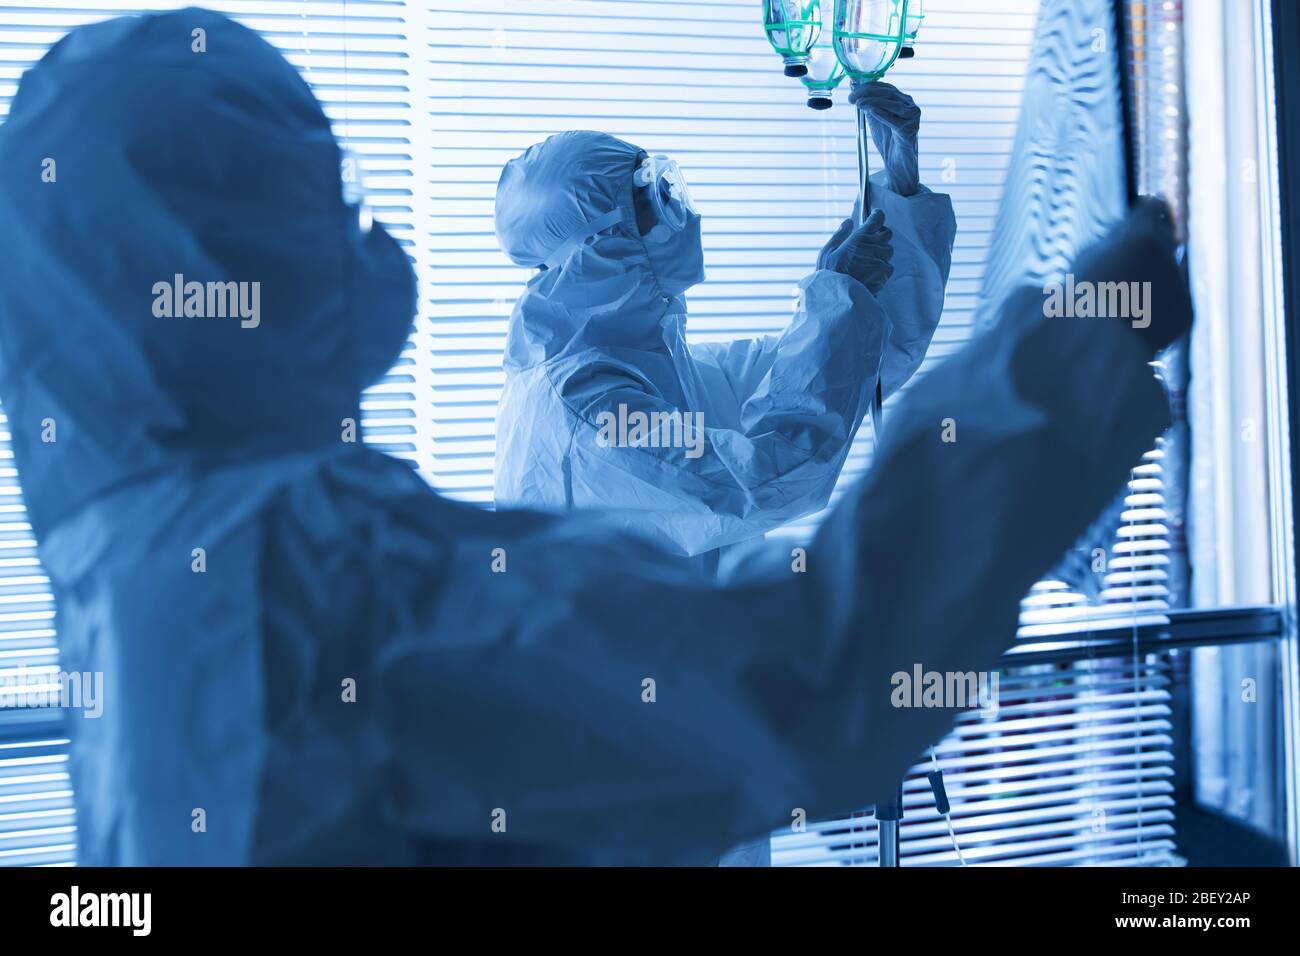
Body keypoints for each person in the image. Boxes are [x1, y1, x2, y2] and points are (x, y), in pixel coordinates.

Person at [0, 9, 1189, 866]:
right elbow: (803, 620)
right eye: (639, 197)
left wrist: (871, 246)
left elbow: (815, 378)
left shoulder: (145, 552)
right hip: (662, 758)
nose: (672, 205)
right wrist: (1083, 343)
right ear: (220, 255)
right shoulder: (354, 533)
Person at [493, 83, 956, 576]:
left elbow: (860, 365)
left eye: (666, 184)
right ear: (597, 245)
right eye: (651, 198)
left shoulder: (655, 366)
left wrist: (899, 191)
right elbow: (767, 477)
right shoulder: (584, 405)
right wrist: (837, 297)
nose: (679, 207)